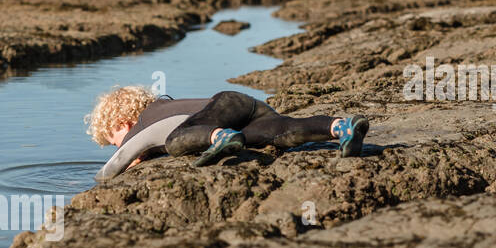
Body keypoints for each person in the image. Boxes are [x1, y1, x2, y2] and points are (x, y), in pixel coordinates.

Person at [86, 86, 369, 180]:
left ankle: (219, 138)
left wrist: (100, 180)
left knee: (175, 142)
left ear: (122, 122)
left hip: (227, 103)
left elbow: (121, 158)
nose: (118, 146)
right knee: (283, 132)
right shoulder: (165, 111)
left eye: (113, 140)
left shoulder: (145, 121)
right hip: (248, 110)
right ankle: (341, 127)